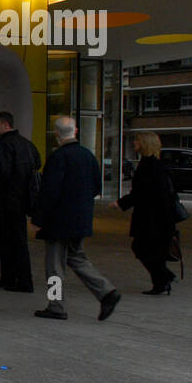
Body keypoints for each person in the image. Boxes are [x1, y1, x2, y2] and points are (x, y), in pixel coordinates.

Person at [31, 116, 120, 321]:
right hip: (80, 219)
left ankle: (56, 305)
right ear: (76, 131)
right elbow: (97, 187)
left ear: (56, 134)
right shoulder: (88, 156)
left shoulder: (58, 157)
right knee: (77, 257)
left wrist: (39, 218)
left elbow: (49, 191)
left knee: (54, 265)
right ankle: (106, 291)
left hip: (58, 221)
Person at [0, 110, 40, 292]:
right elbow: (37, 163)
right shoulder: (26, 144)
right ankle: (12, 278)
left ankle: (18, 279)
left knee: (8, 239)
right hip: (22, 200)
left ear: (6, 125)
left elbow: (3, 171)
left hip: (10, 200)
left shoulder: (6, 144)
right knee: (15, 239)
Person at [117, 132, 176, 295]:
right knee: (149, 249)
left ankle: (163, 279)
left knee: (143, 248)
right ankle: (162, 280)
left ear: (145, 144)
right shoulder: (153, 165)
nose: (134, 142)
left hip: (153, 217)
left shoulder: (150, 167)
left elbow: (141, 192)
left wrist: (121, 203)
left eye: (137, 140)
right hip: (155, 217)